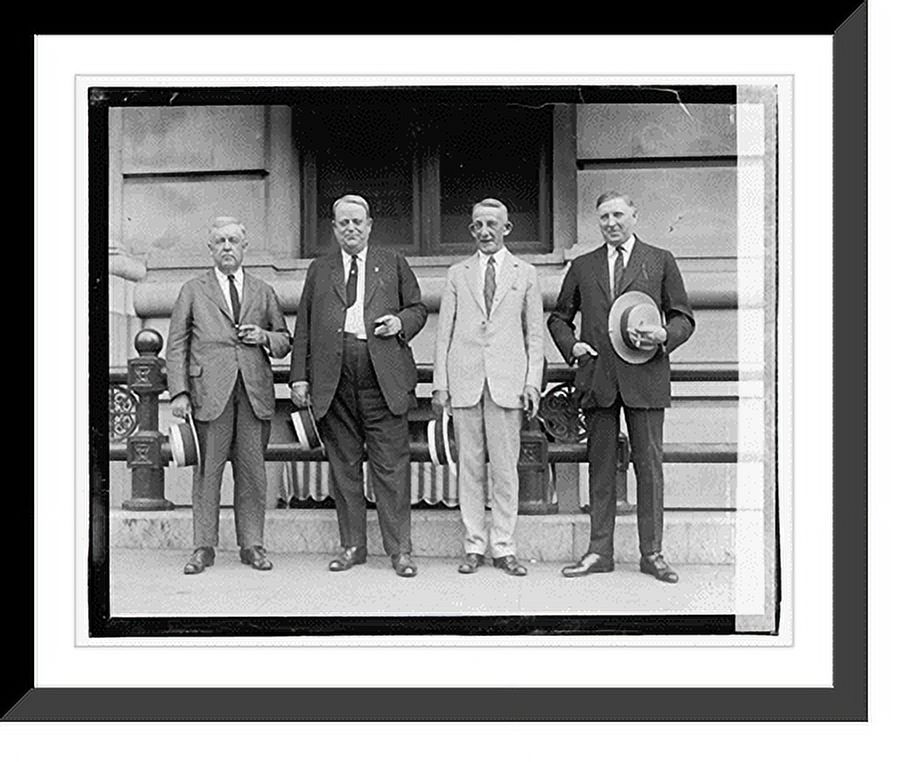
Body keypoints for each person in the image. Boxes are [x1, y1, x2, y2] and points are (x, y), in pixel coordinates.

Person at [548, 191, 695, 583]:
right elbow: (559, 318)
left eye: (617, 215)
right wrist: (572, 346)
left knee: (649, 467)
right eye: (603, 217)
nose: (610, 223)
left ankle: (653, 553)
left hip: (645, 378)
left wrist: (665, 334)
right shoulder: (583, 265)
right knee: (600, 469)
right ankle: (600, 552)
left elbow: (683, 317)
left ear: (634, 215)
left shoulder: (659, 260)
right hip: (597, 379)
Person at [289, 195, 427, 577]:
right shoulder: (320, 269)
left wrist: (400, 323)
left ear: (369, 226)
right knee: (344, 467)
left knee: (390, 466)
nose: (350, 228)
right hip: (333, 380)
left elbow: (417, 308)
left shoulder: (392, 262)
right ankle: (353, 546)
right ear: (334, 229)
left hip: (382, 376)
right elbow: (304, 325)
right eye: (343, 223)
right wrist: (299, 376)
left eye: (357, 222)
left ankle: (400, 551)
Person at [166, 216, 291, 574]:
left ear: (244, 247)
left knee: (253, 472)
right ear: (210, 249)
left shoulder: (263, 290)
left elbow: (284, 340)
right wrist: (179, 393)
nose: (226, 247)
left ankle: (252, 545)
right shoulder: (193, 289)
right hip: (209, 393)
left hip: (252, 391)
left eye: (233, 241)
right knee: (208, 472)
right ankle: (203, 547)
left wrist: (264, 337)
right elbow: (177, 344)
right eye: (220, 241)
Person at [432, 198, 545, 576]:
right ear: (472, 230)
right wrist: (440, 385)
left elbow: (534, 336)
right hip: (465, 382)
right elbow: (443, 333)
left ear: (506, 228)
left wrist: (532, 383)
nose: (484, 232)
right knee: (470, 468)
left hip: (507, 384)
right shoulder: (457, 273)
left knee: (505, 469)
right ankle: (474, 545)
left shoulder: (525, 273)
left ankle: (504, 546)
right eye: (478, 225)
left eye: (491, 225)